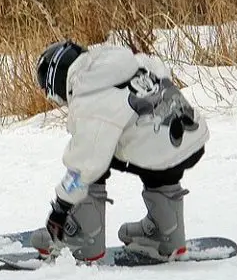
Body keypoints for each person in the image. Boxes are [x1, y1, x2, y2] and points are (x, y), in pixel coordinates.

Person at [29, 40, 209, 262]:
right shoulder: (127, 65)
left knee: (93, 160)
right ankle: (167, 234)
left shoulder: (91, 97)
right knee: (149, 146)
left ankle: (84, 239)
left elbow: (85, 165)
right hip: (190, 138)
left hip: (160, 150)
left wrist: (61, 208)